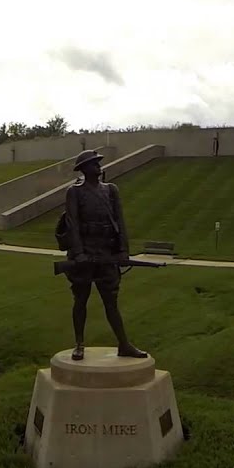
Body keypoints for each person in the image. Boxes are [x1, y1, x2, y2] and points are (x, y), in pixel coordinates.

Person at [61, 149, 148, 360]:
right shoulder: (75, 192)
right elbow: (72, 224)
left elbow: (120, 221)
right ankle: (79, 344)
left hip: (107, 252)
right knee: (80, 300)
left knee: (111, 301)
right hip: (85, 254)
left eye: (98, 163)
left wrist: (124, 250)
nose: (99, 166)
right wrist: (79, 253)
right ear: (83, 169)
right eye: (94, 163)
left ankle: (124, 344)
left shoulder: (111, 190)